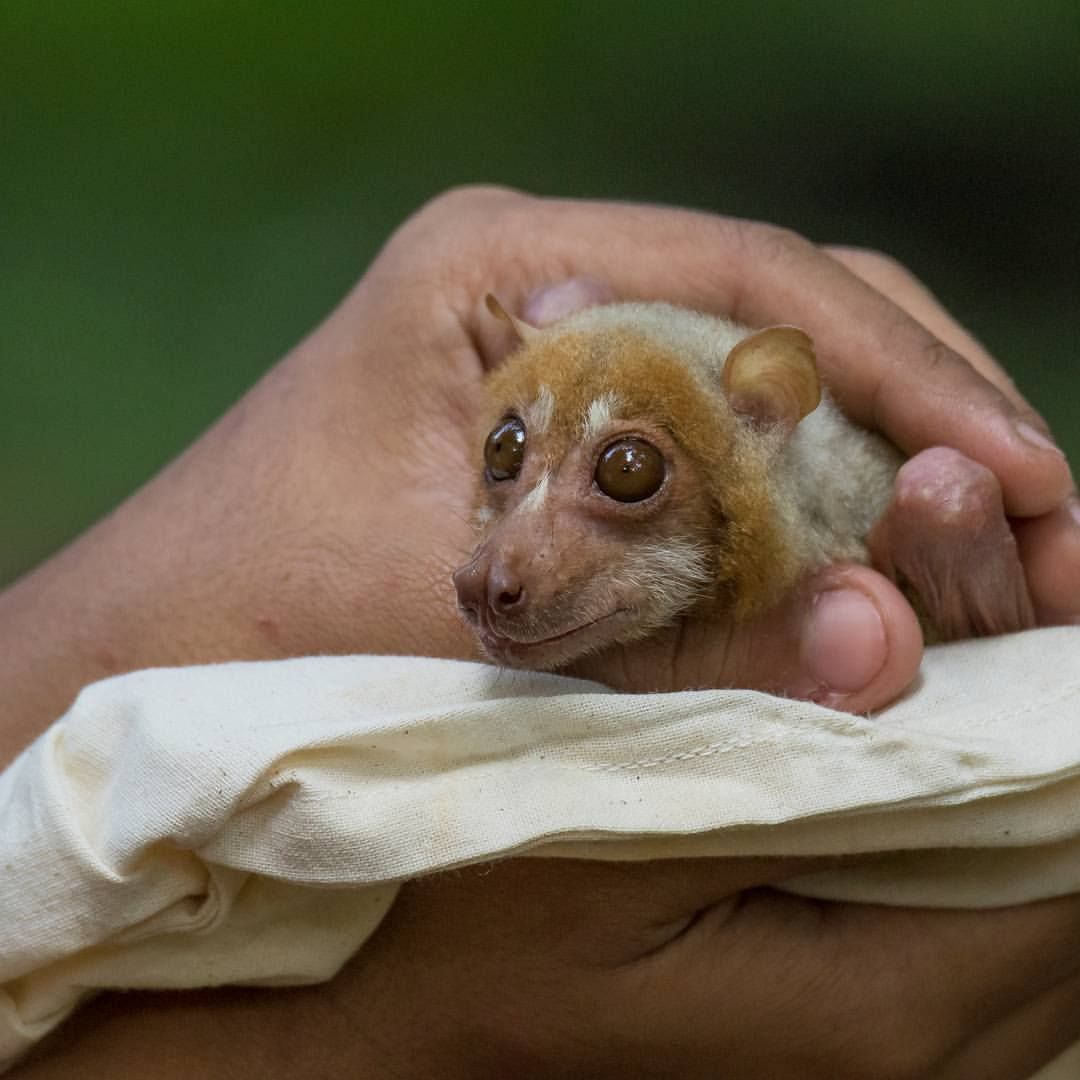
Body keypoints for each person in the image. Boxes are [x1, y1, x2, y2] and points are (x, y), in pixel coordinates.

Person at [3, 187, 1079, 1078]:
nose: (496, 571)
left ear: (767, 414)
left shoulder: (867, 504)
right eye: (506, 458)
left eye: (628, 474)